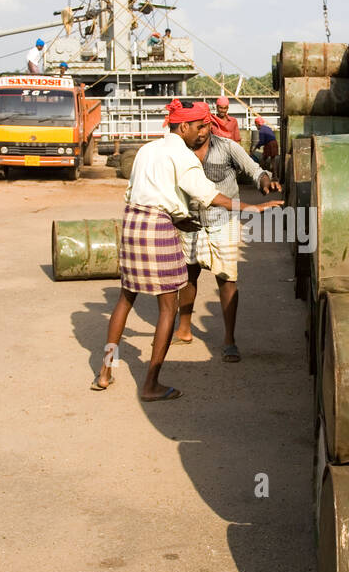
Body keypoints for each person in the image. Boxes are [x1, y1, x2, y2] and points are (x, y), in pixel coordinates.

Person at [93, 100, 283, 401]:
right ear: (183, 126)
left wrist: (179, 214)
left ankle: (105, 370)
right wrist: (248, 206)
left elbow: (134, 192)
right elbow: (207, 194)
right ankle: (151, 384)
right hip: (159, 227)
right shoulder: (183, 155)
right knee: (167, 307)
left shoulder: (147, 150)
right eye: (201, 126)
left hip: (132, 222)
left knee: (125, 298)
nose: (206, 130)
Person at [173, 105, 280, 362]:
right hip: (190, 221)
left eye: (204, 126)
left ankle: (229, 339)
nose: (200, 133)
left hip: (224, 221)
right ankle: (184, 328)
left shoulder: (227, 147)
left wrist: (265, 182)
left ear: (211, 124)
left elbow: (254, 169)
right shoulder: (179, 151)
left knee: (226, 278)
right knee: (189, 275)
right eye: (195, 127)